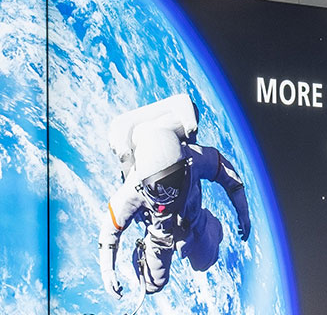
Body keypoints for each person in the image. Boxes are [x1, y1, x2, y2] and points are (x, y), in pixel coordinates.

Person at [101, 121, 250, 299]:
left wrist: (243, 212)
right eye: (159, 188)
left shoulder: (194, 159)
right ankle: (143, 251)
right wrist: (108, 270)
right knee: (151, 285)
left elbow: (229, 178)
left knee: (206, 261)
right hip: (161, 239)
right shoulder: (132, 191)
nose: (169, 194)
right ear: (143, 184)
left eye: (173, 182)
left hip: (195, 221)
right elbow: (110, 232)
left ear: (184, 166)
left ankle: (211, 226)